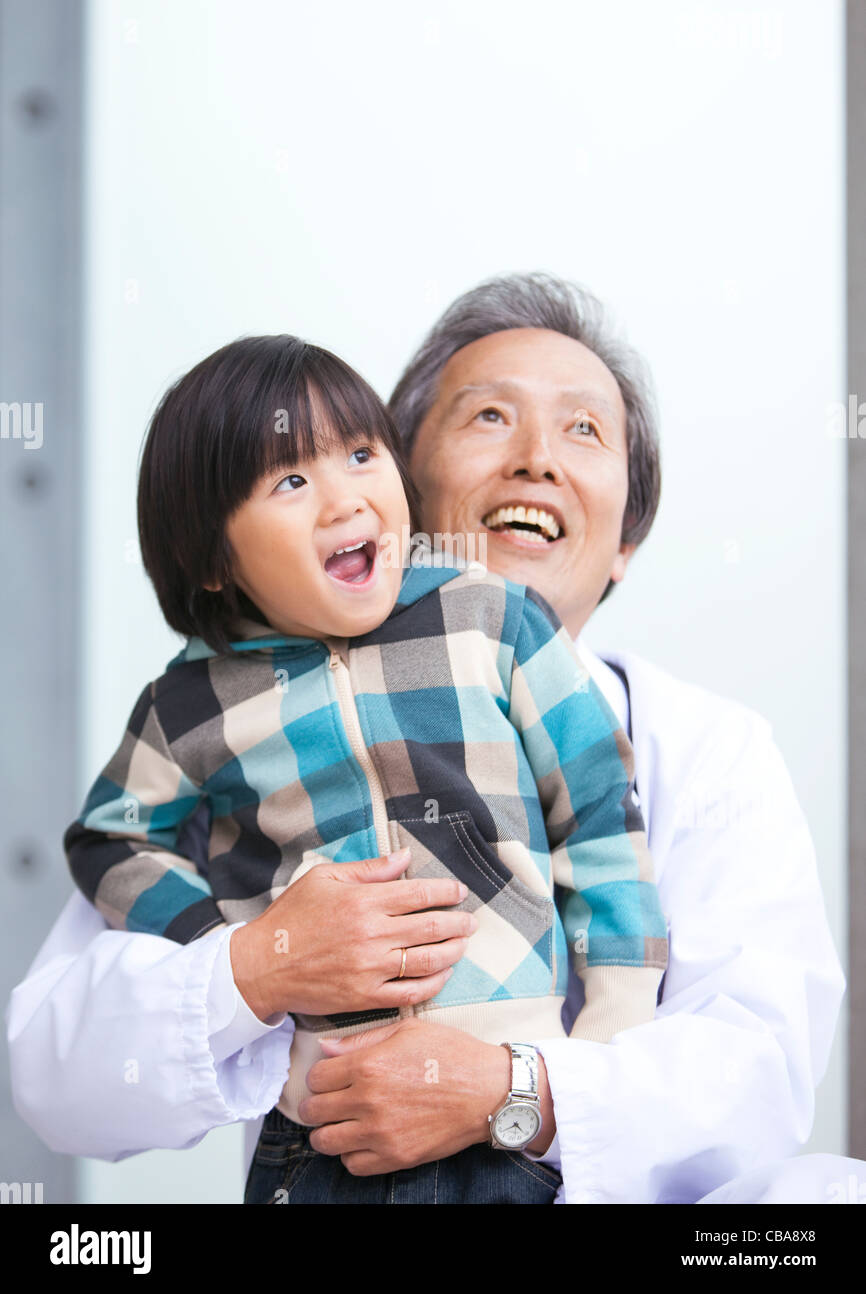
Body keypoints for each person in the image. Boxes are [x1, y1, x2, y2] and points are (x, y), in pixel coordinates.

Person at [6, 273, 848, 1204]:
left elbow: (757, 1077)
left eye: (584, 430)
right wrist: (261, 962)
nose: (537, 459)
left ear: (626, 543)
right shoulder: (218, 722)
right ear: (414, 481)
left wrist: (509, 1091)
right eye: (489, 417)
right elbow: (56, 1068)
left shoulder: (711, 748)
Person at [61, 330, 667, 1204]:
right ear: (215, 561)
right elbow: (108, 838)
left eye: (360, 452)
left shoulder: (490, 618)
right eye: (292, 480)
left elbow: (603, 818)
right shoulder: (191, 701)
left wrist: (600, 1053)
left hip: (511, 1143)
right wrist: (236, 951)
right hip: (319, 1152)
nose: (344, 498)